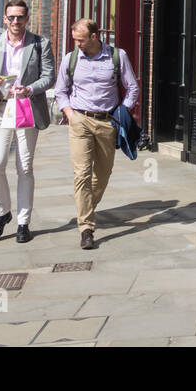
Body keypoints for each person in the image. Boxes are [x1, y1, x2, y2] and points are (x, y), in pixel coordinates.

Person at [0, 0, 55, 244]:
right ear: (4, 19)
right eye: (11, 17)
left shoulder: (40, 43)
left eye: (20, 17)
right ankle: (2, 213)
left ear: (27, 18)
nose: (16, 21)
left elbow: (49, 76)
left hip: (26, 109)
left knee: (24, 168)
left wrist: (30, 88)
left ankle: (23, 222)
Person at [53, 18, 140, 250]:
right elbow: (60, 90)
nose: (77, 44)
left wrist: (123, 110)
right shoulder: (70, 59)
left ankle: (86, 207)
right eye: (75, 40)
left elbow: (132, 87)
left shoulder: (116, 56)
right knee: (81, 173)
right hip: (79, 119)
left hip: (106, 122)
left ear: (94, 36)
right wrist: (69, 113)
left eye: (81, 39)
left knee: (102, 174)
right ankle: (86, 228)